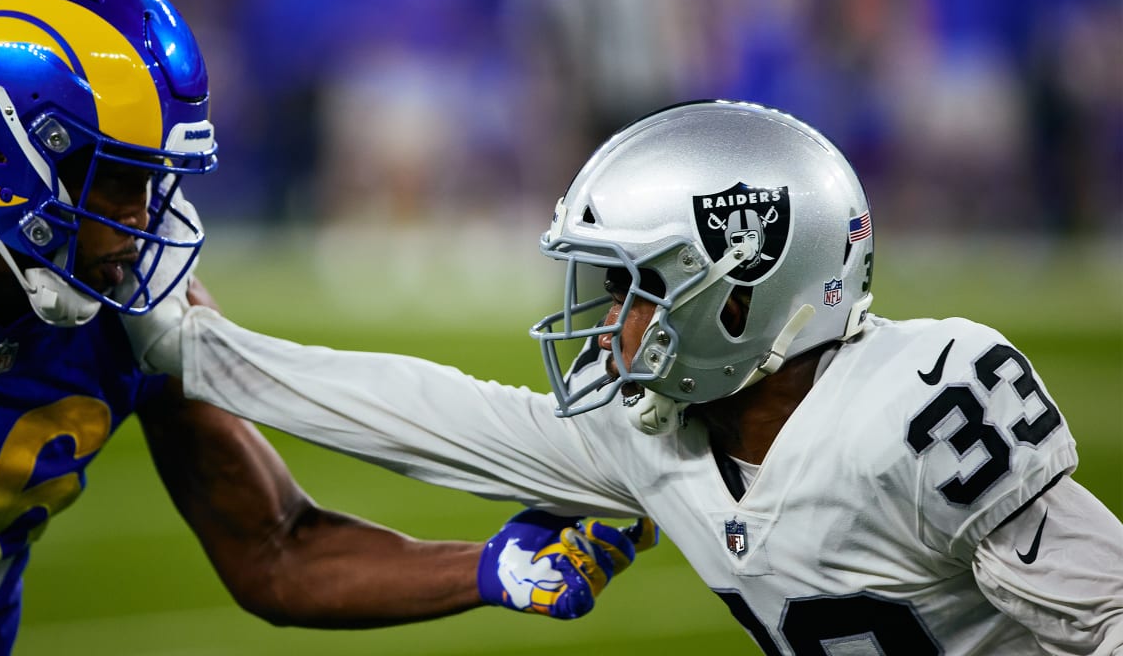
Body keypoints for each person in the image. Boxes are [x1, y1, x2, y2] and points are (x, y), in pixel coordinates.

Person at [0, 0, 654, 655]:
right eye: (118, 180)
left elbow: (275, 551)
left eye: (158, 182)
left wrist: (490, 570)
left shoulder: (127, 305)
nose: (141, 221)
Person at [123, 100, 1123, 655]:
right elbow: (430, 417)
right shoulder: (655, 434)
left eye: (632, 287)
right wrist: (195, 350)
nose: (605, 319)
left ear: (744, 293)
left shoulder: (923, 407)